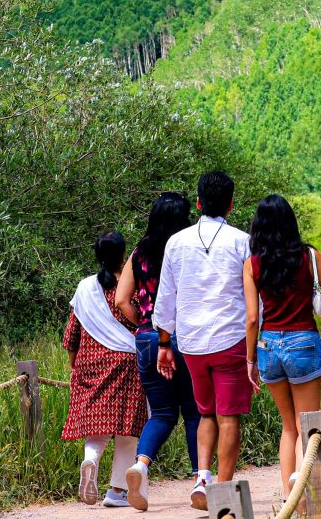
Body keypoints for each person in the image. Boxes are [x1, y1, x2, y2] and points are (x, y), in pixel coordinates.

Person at [244, 195, 321, 504]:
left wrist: (250, 359)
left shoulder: (252, 264)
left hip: (268, 345)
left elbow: (253, 318)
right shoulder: (309, 257)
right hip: (302, 341)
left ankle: (289, 497)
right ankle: (304, 490)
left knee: (288, 427)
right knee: (307, 424)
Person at [153, 170, 252, 512]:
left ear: (197, 202)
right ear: (231, 205)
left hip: (190, 342)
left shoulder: (176, 242)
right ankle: (223, 491)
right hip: (231, 338)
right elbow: (253, 298)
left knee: (205, 412)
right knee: (229, 417)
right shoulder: (242, 241)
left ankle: (203, 478)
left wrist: (164, 343)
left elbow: (166, 297)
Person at [115, 193, 198, 513]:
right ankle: (199, 480)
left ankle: (141, 465)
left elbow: (123, 299)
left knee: (162, 413)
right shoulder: (187, 249)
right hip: (185, 336)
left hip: (148, 338)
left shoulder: (139, 253)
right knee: (194, 412)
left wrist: (143, 325)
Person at [64, 231, 145, 507]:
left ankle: (90, 460)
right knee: (127, 427)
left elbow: (71, 333)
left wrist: (74, 364)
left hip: (89, 361)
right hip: (125, 361)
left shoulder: (84, 287)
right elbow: (141, 320)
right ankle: (116, 492)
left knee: (97, 426)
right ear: (123, 255)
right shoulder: (128, 285)